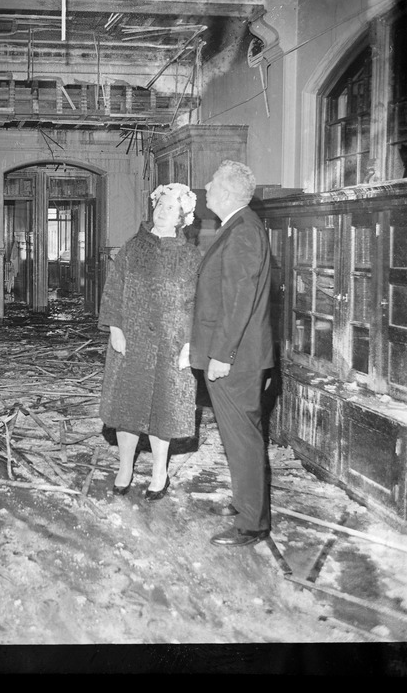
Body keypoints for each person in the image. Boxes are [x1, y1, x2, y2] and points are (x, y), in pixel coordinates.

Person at [98, 183, 202, 501]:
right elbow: (114, 288)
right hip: (133, 342)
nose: (163, 210)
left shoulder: (190, 256)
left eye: (172, 207)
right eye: (161, 203)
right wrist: (115, 327)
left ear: (183, 217)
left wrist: (190, 345)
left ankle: (160, 472)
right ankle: (125, 468)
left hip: (172, 345)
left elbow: (198, 303)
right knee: (126, 409)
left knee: (164, 411)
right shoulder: (133, 248)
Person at [190, 160, 274, 547]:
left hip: (235, 358)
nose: (206, 186)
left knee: (242, 438)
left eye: (212, 181)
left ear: (226, 191)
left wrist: (221, 355)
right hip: (237, 353)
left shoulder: (242, 231)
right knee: (239, 436)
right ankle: (246, 504)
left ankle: (251, 524)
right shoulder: (239, 227)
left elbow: (238, 302)